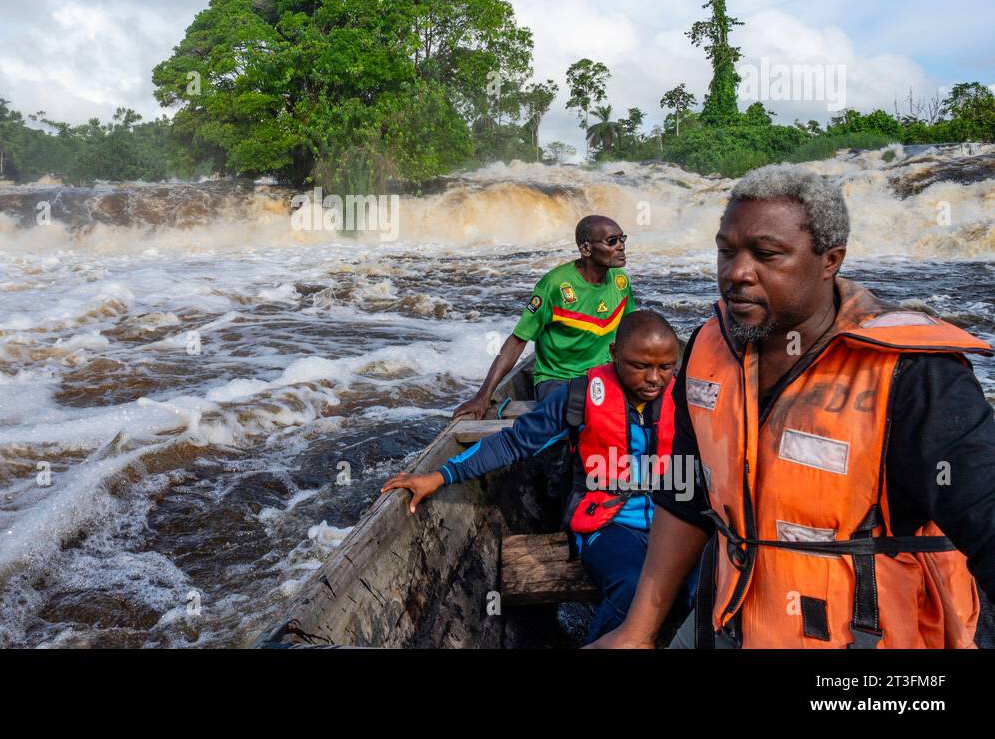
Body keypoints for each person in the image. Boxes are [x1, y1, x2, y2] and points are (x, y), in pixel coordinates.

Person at [589, 165, 995, 649]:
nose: (736, 273)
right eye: (726, 251)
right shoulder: (706, 349)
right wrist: (636, 632)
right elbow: (686, 497)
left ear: (830, 260)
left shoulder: (913, 374)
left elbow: (984, 515)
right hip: (731, 621)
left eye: (766, 254)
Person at [382, 310, 692, 643]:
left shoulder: (689, 399)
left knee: (705, 591)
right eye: (640, 366)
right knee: (631, 585)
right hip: (609, 525)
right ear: (614, 354)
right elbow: (514, 442)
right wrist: (441, 475)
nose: (654, 379)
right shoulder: (580, 396)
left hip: (676, 523)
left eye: (665, 366)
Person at [453, 215, 634, 417]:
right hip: (559, 379)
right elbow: (518, 340)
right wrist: (483, 396)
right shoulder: (553, 286)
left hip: (602, 375)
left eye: (622, 239)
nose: (620, 246)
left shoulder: (620, 280)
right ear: (586, 249)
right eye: (612, 241)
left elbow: (630, 328)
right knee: (572, 416)